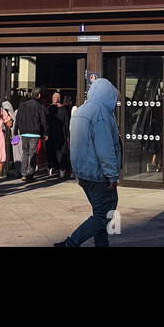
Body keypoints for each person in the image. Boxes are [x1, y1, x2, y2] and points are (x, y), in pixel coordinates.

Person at [56, 78, 121, 247]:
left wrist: (77, 171)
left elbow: (75, 144)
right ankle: (70, 243)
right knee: (104, 215)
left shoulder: (81, 110)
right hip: (99, 174)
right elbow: (104, 146)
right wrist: (112, 174)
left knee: (99, 213)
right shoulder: (101, 113)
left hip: (85, 173)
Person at [16, 87, 48, 182]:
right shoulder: (40, 106)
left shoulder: (23, 105)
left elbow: (18, 118)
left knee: (25, 153)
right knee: (33, 153)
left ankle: (23, 173)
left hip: (24, 132)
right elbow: (43, 121)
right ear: (39, 95)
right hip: (35, 132)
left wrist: (16, 131)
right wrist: (45, 133)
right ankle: (30, 174)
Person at [44, 91, 67, 178]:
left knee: (50, 152)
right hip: (61, 135)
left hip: (50, 134)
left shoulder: (48, 109)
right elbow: (67, 123)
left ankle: (50, 169)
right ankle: (61, 170)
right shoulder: (63, 109)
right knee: (60, 153)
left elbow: (45, 121)